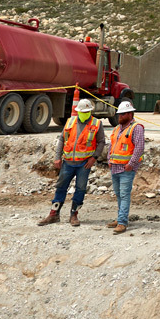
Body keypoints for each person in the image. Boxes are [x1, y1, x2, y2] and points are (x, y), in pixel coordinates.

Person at [38, 97, 105, 227]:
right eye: (82, 112)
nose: (84, 114)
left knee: (80, 188)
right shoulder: (70, 122)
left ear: (90, 112)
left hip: (84, 164)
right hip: (68, 162)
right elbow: (62, 139)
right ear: (77, 111)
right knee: (61, 187)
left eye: (86, 112)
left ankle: (74, 214)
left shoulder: (96, 124)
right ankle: (54, 214)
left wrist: (94, 158)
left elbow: (101, 142)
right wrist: (57, 157)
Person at [106, 100, 145, 234]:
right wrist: (109, 159)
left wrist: (131, 164)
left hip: (126, 168)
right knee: (118, 194)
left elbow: (139, 148)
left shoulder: (136, 128)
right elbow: (111, 145)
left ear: (129, 114)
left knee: (124, 194)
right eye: (119, 115)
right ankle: (120, 218)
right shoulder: (117, 128)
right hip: (115, 167)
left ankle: (122, 222)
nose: (120, 117)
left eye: (122, 115)